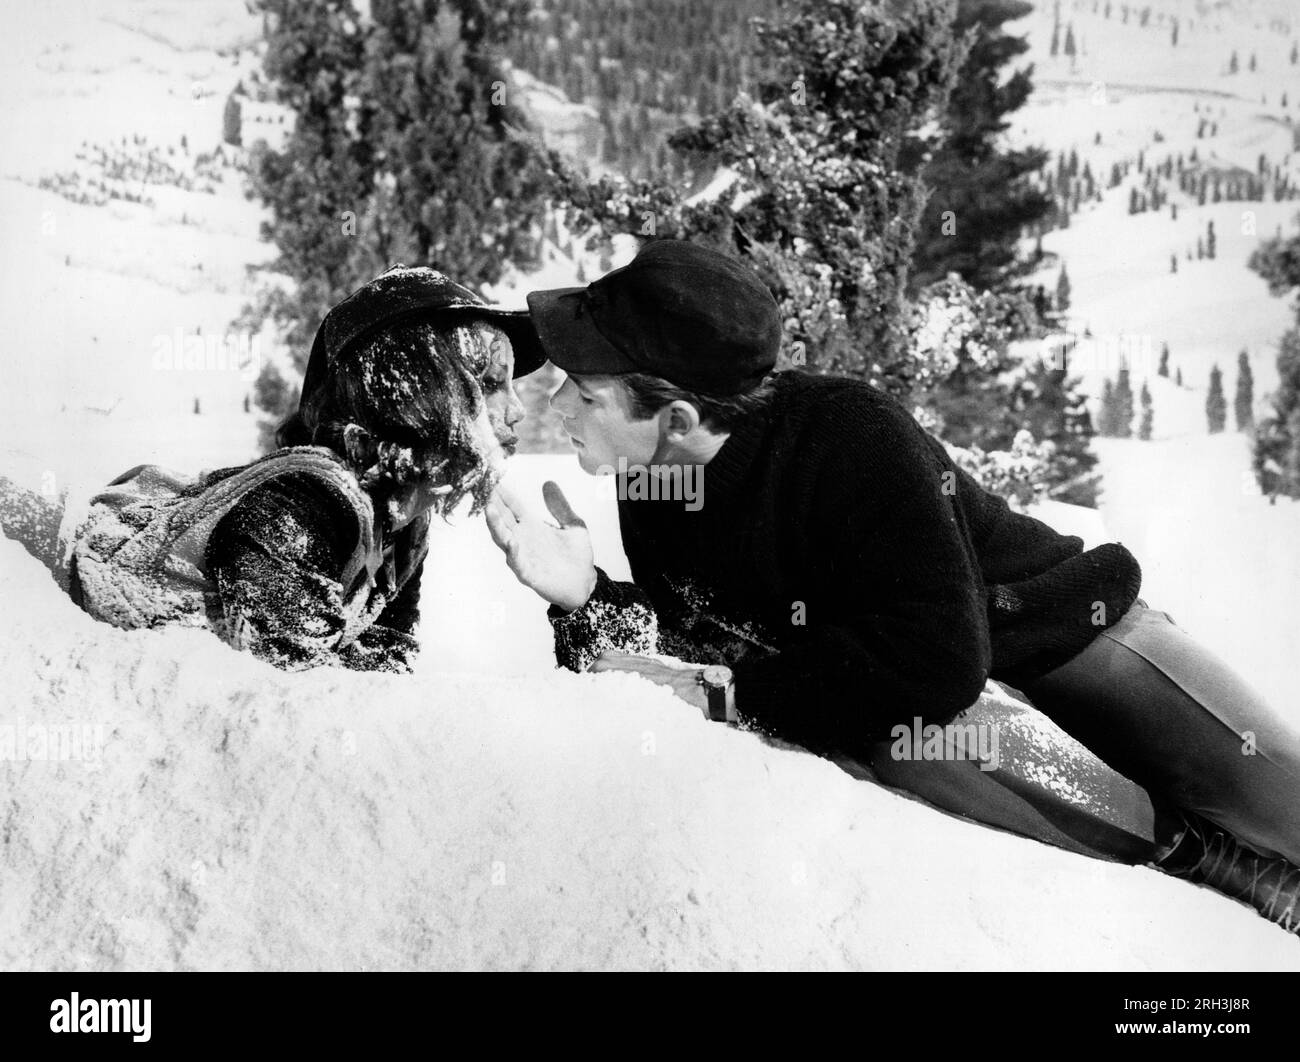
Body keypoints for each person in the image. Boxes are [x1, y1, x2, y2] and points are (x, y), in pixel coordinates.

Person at [486, 239, 1300, 935]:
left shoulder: (849, 431)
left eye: (585, 394)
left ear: (679, 420)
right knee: (918, 731)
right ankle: (1198, 857)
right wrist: (584, 597)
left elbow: (934, 652)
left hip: (1065, 628)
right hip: (954, 699)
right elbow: (687, 656)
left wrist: (723, 693)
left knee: (1283, 801)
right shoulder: (655, 485)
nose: (556, 408)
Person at [2, 265, 540, 674]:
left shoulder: (404, 525)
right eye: (490, 385)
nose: (517, 409)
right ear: (413, 396)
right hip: (50, 551)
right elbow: (293, 694)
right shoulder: (308, 503)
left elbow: (384, 678)